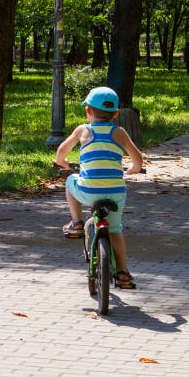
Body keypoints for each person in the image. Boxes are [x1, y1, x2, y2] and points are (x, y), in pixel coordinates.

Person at [54, 86, 144, 289]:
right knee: (115, 230)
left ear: (88, 111)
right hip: (115, 193)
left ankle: (77, 222)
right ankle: (122, 272)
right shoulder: (119, 132)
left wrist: (63, 162)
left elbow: (61, 151)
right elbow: (137, 158)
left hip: (88, 191)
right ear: (116, 113)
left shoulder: (83, 130)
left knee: (70, 181)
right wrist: (133, 169)